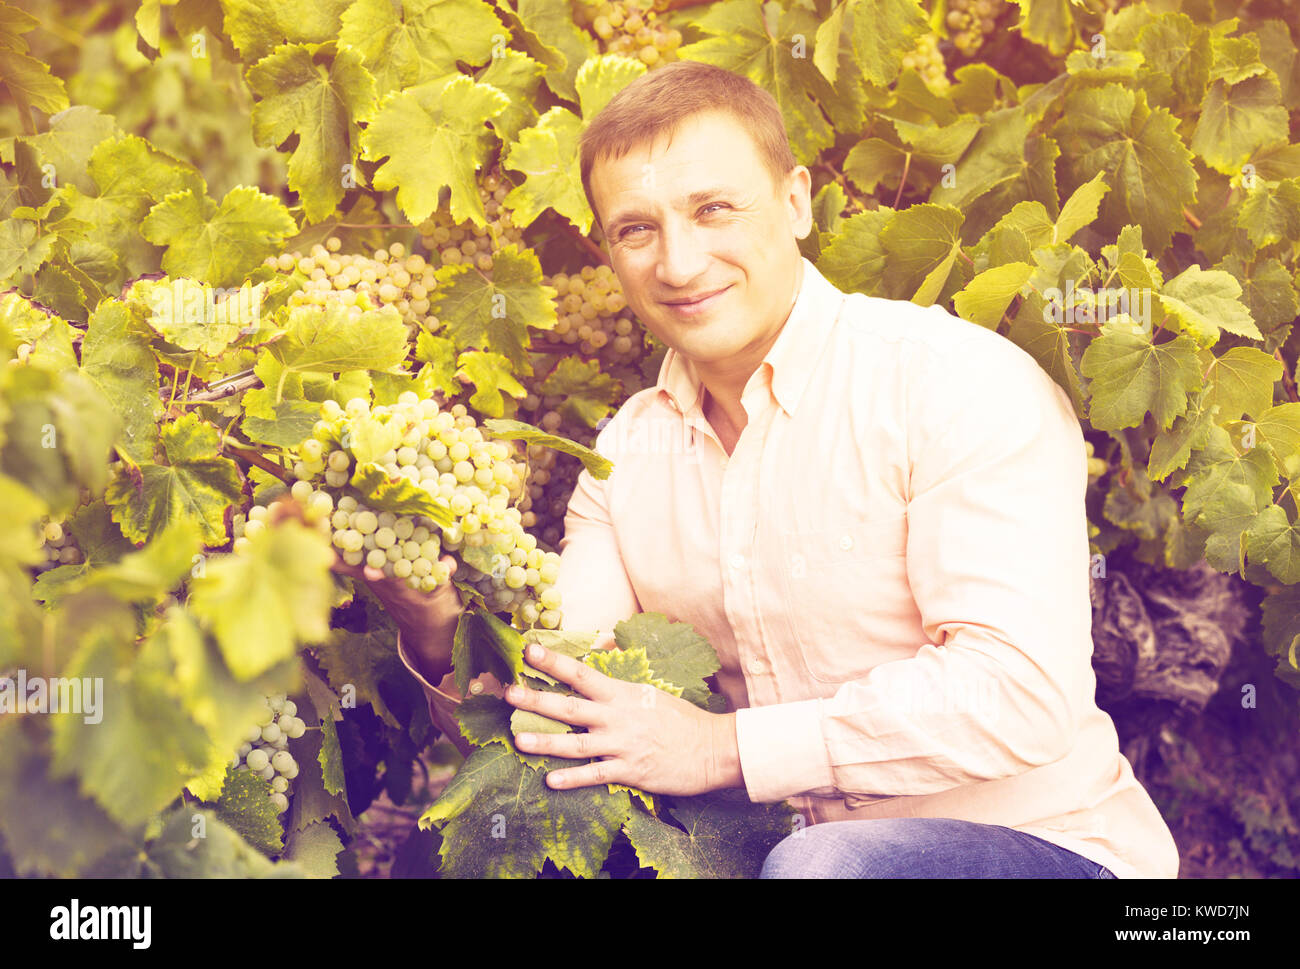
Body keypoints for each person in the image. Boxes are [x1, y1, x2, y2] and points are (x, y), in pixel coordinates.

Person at [340, 60, 1180, 879]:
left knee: (827, 866)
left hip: (1046, 846)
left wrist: (717, 748)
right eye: (637, 229)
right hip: (763, 857)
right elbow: (570, 720)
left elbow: (1019, 693)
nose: (678, 263)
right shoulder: (622, 458)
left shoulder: (952, 383)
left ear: (796, 201)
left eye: (714, 209)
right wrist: (431, 620)